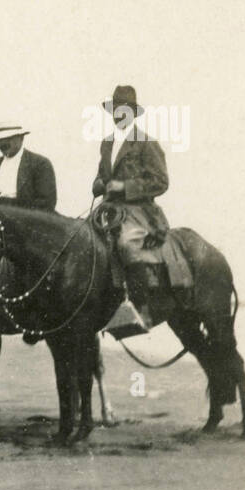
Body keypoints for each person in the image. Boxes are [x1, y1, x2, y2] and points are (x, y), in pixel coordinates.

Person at [94, 85, 171, 326]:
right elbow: (102, 174)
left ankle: (142, 307)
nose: (119, 114)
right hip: (109, 209)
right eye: (116, 109)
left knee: (127, 244)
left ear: (132, 113)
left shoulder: (146, 142)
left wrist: (124, 187)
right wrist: (98, 183)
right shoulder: (107, 143)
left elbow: (161, 181)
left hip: (138, 211)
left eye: (124, 109)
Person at [0, 122, 57, 211]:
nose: (3, 143)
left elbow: (47, 204)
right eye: (0, 139)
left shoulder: (40, 163)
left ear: (21, 138)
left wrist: (6, 203)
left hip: (25, 220)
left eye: (8, 138)